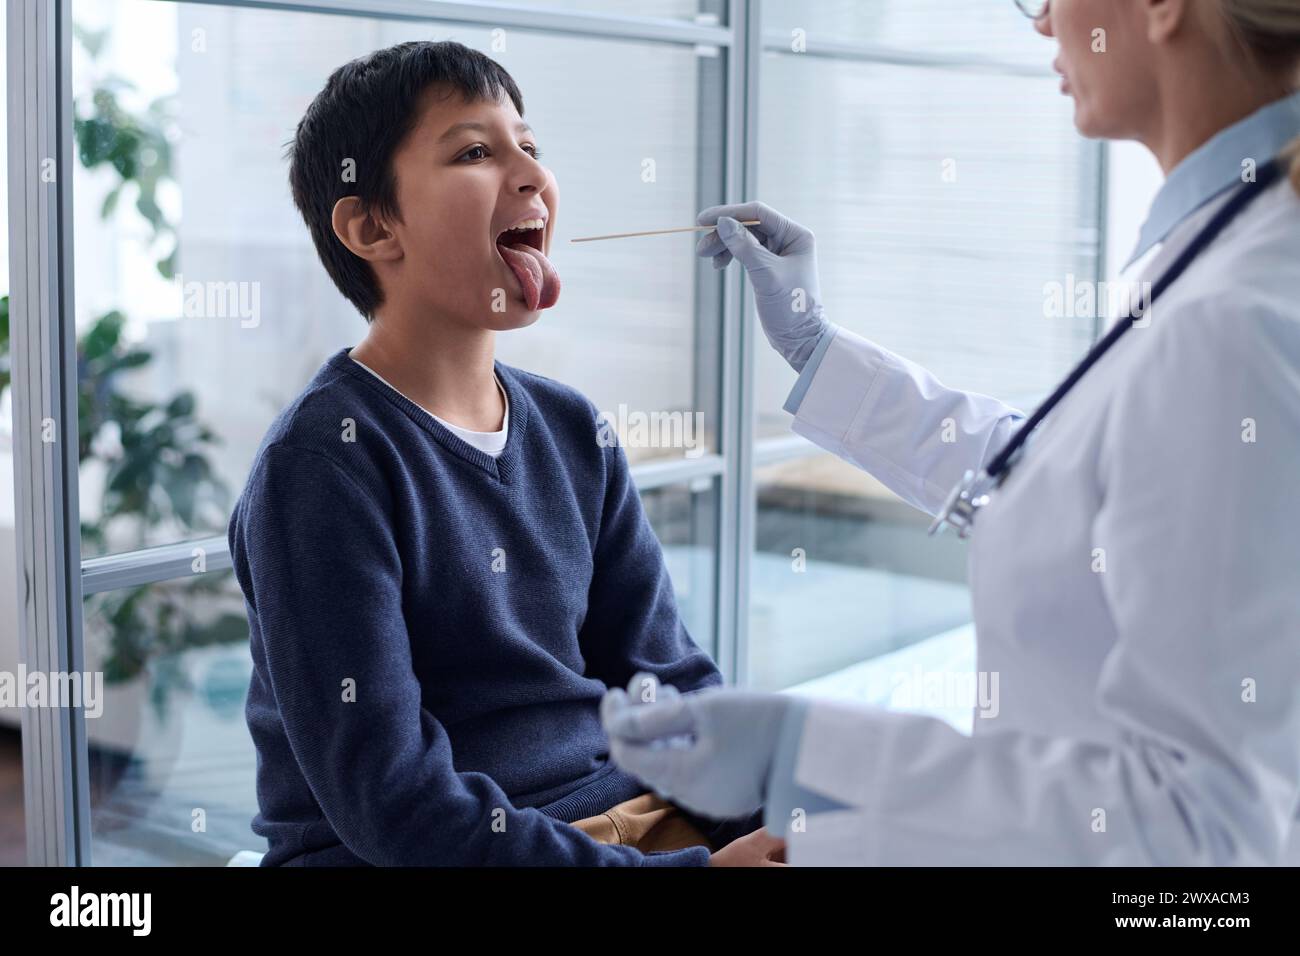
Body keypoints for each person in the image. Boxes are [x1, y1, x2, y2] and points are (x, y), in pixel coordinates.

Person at [604, 0, 1300, 865]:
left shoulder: (1235, 319)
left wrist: (811, 755)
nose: (1044, 23)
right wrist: (820, 349)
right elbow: (1053, 470)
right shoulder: (1226, 254)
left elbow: (1206, 858)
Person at [227, 40, 780, 866]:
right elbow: (397, 809)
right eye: (476, 152)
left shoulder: (571, 428)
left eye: (531, 146)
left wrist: (772, 819)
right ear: (371, 226)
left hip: (624, 822)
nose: (530, 176)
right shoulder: (323, 467)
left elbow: (671, 686)